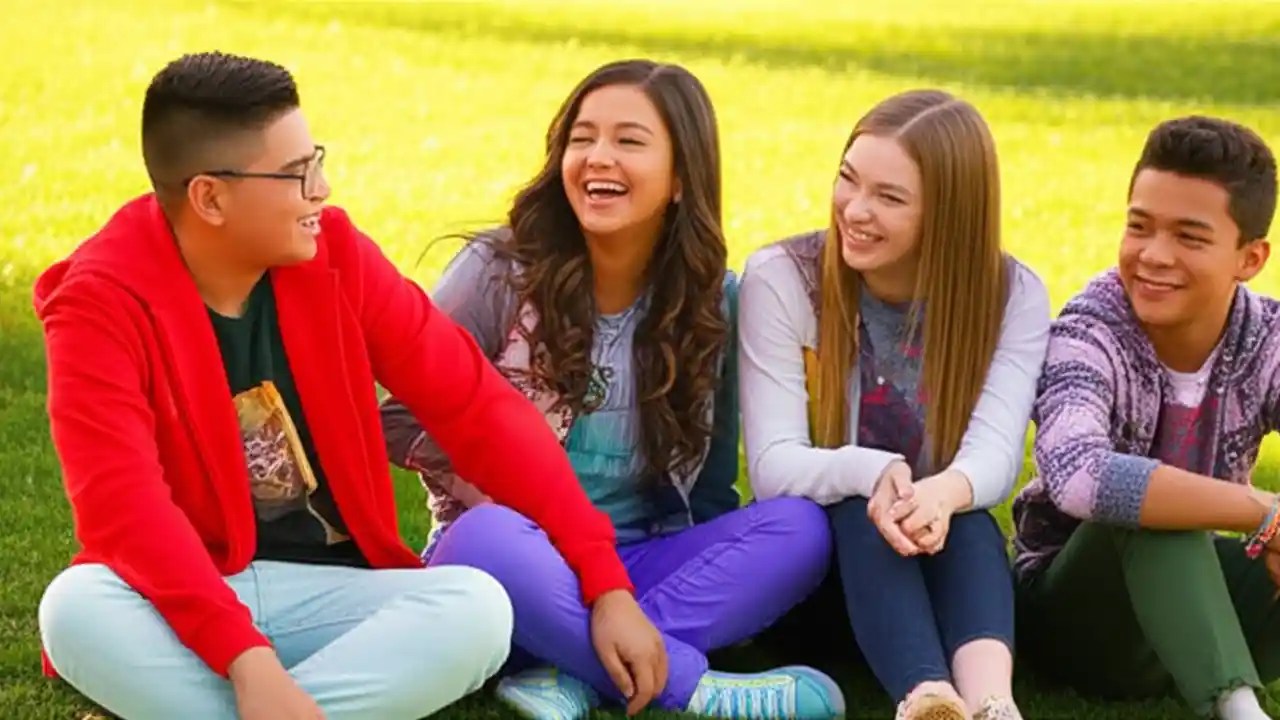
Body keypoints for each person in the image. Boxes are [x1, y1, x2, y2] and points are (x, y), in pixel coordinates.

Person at [33, 51, 662, 720]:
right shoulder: (98, 300)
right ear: (209, 197)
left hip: (330, 593)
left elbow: (478, 409)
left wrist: (605, 581)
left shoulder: (336, 254)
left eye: (318, 160)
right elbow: (122, 510)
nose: (323, 189)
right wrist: (245, 659)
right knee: (75, 609)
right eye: (297, 173)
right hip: (185, 588)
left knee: (476, 609)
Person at [381, 58, 843, 720]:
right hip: (517, 561)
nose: (599, 157)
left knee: (801, 530)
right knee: (485, 535)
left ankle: (564, 666)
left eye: (629, 141)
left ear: (682, 176)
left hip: (642, 560)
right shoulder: (497, 272)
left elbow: (711, 489)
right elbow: (397, 419)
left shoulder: (717, 304)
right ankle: (693, 686)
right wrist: (490, 481)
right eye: (582, 137)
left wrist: (721, 568)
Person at [738, 89, 1051, 720]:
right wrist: (875, 474)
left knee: (966, 513)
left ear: (949, 215)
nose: (854, 210)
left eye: (889, 197)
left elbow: (994, 455)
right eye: (848, 179)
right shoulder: (781, 279)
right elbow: (773, 468)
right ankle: (925, 698)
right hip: (816, 582)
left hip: (939, 567)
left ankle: (992, 704)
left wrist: (940, 495)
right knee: (860, 507)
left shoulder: (1012, 294)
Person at [1012, 116, 1280, 720]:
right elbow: (1081, 479)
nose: (1154, 256)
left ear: (1250, 258)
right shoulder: (1088, 330)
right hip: (1076, 618)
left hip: (1197, 596)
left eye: (1189, 237)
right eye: (1139, 227)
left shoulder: (1268, 337)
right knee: (1140, 497)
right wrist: (1265, 513)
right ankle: (1239, 711)